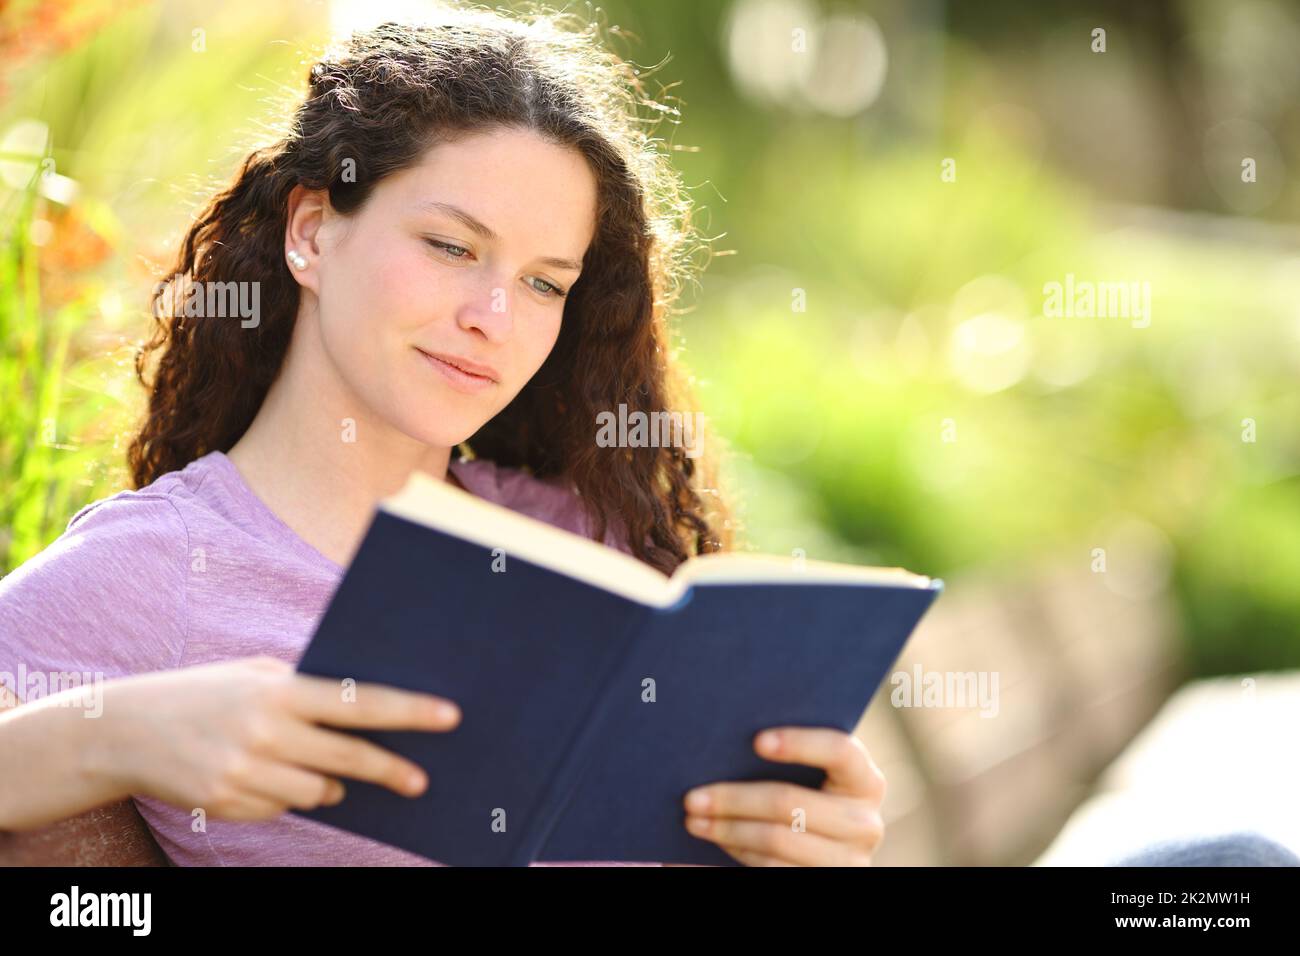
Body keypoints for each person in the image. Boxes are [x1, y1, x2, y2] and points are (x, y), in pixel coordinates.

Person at [0, 9, 887, 866]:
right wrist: (109, 736)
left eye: (545, 284)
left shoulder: (591, 543)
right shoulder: (150, 573)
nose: (493, 318)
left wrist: (805, 849)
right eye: (451, 247)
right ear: (311, 232)